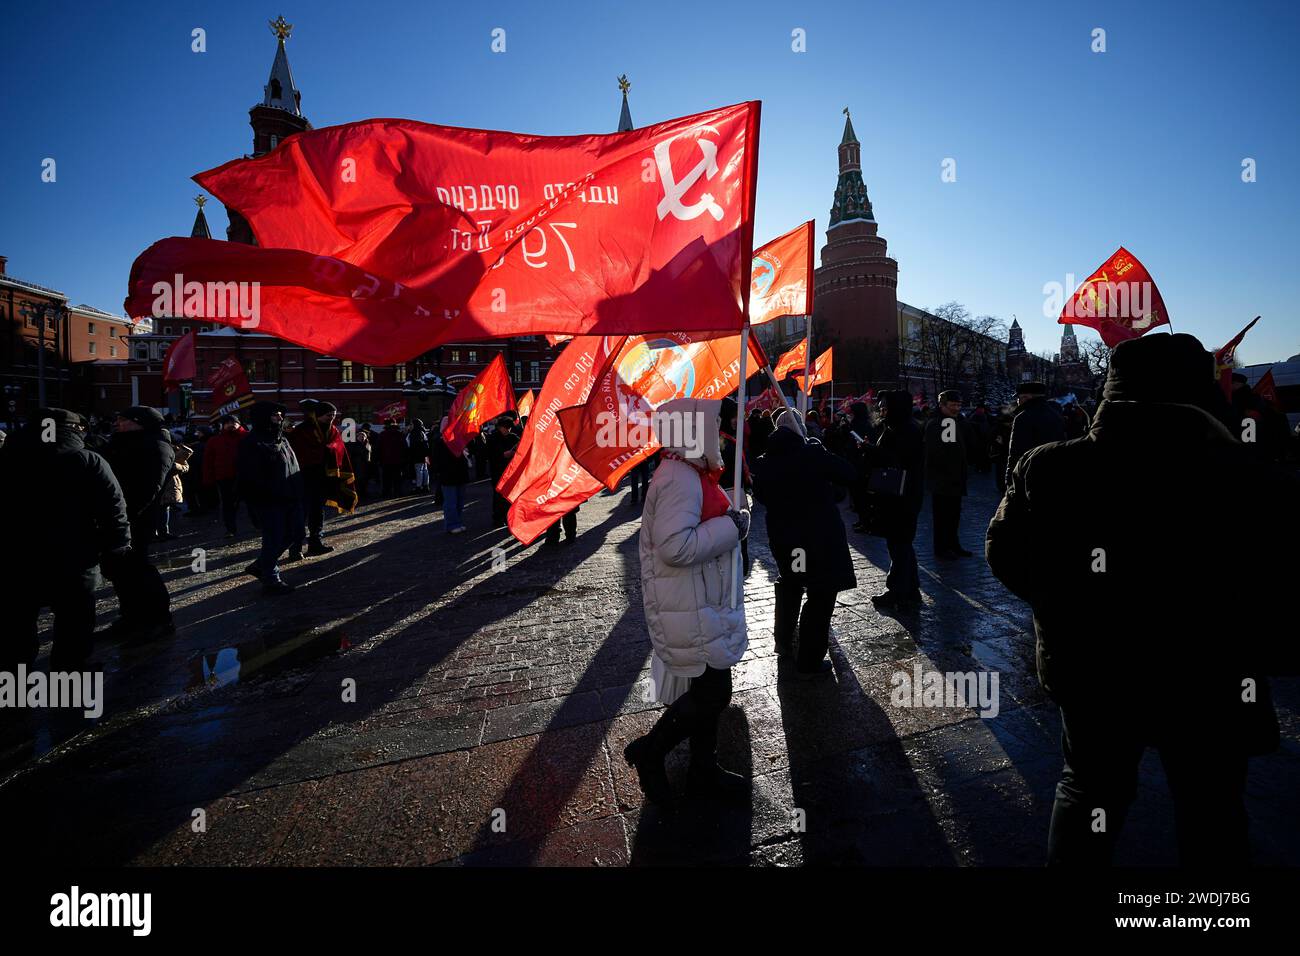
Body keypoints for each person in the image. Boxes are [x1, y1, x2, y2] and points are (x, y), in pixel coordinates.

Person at [987, 333, 1296, 866]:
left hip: (1092, 669)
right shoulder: (1253, 477)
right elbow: (1281, 590)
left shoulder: (1050, 466)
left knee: (1088, 793)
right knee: (1211, 805)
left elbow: (1006, 554)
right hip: (1213, 677)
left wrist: (1066, 609)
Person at [624, 397, 750, 808]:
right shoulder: (679, 476)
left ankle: (702, 768)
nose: (719, 432)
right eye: (713, 424)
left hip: (697, 599)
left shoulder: (686, 471)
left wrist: (733, 521)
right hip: (688, 602)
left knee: (711, 688)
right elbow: (676, 547)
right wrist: (732, 528)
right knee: (712, 692)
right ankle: (651, 752)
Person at [0, 409, 131, 669]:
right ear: (73, 429)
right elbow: (113, 507)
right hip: (74, 556)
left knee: (17, 623)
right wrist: (118, 544)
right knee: (74, 620)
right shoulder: (87, 460)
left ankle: (14, 687)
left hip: (15, 557)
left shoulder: (7, 458)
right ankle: (69, 675)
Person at [753, 406, 857, 677]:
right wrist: (819, 451)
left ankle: (783, 641)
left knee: (791, 583)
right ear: (800, 429)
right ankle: (809, 660)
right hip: (817, 540)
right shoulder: (811, 453)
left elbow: (763, 496)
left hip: (788, 541)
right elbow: (848, 473)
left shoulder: (764, 461)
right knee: (820, 595)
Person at [102, 405, 176, 642]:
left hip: (135, 519)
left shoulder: (156, 446)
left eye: (122, 419)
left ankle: (159, 620)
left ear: (138, 422)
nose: (117, 423)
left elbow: (147, 491)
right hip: (117, 518)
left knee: (138, 569)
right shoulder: (123, 442)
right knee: (121, 571)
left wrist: (125, 517)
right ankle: (131, 617)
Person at [861, 391, 925, 611]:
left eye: (885, 407)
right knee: (901, 543)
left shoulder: (906, 430)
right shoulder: (898, 427)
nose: (881, 410)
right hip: (899, 495)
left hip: (902, 496)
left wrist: (871, 451)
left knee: (899, 543)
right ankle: (911, 589)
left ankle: (898, 591)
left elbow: (897, 461)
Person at [237, 402, 305, 595]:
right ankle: (271, 578)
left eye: (280, 415)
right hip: (270, 499)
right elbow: (248, 475)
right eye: (275, 415)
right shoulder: (252, 442)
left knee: (296, 533)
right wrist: (260, 498)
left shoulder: (282, 438)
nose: (280, 418)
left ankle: (261, 565)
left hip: (292, 495)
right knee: (273, 538)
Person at [289, 400, 343, 555]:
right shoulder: (303, 430)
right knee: (301, 512)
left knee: (317, 511)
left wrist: (331, 451)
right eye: (328, 415)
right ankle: (296, 547)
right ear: (318, 415)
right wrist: (324, 451)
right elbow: (298, 452)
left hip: (323, 477)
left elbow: (339, 447)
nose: (331, 418)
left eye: (333, 415)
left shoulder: (332, 430)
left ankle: (315, 543)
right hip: (304, 476)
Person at [924, 389, 972, 559]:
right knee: (945, 515)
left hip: (948, 478)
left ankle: (951, 545)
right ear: (942, 405)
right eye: (953, 405)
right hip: (946, 478)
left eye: (959, 405)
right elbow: (948, 453)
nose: (957, 408)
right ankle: (943, 548)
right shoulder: (946, 423)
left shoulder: (947, 421)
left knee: (951, 515)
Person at [1004, 381, 1066, 487]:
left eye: (1019, 398)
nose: (1017, 401)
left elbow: (1017, 451)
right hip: (1055, 471)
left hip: (1031, 474)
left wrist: (1010, 480)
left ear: (1026, 397)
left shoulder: (1023, 417)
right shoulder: (1055, 414)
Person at [203, 415, 246, 537]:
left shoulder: (247, 437)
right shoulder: (215, 440)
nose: (231, 425)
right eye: (227, 423)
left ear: (239, 424)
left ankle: (259, 525)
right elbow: (208, 461)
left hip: (246, 476)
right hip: (225, 478)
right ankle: (230, 529)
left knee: (253, 503)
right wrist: (208, 479)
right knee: (228, 505)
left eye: (234, 422)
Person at [432, 415, 469, 534]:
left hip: (460, 475)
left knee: (460, 501)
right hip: (447, 476)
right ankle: (451, 525)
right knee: (450, 502)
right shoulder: (440, 442)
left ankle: (457, 522)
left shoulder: (460, 439)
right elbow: (436, 460)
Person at [485, 416, 519, 527]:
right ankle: (498, 519)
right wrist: (502, 454)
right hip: (497, 471)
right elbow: (488, 455)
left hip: (510, 471)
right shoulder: (492, 438)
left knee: (509, 496)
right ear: (499, 427)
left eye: (509, 427)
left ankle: (509, 517)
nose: (508, 430)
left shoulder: (513, 437)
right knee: (498, 496)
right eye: (505, 427)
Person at [156, 439, 193, 540]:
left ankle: (162, 532)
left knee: (163, 508)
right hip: (162, 483)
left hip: (168, 484)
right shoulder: (168, 450)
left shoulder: (172, 451)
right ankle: (159, 532)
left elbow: (185, 467)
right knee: (160, 509)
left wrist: (175, 466)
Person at [377, 418, 407, 497]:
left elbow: (378, 448)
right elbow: (405, 448)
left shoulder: (382, 434)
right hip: (398, 460)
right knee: (398, 477)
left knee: (386, 478)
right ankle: (398, 492)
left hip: (385, 460)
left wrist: (379, 459)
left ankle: (386, 492)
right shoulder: (400, 434)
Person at [408, 418, 432, 493]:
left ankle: (419, 486)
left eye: (411, 424)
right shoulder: (422, 432)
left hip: (417, 454)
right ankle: (426, 485)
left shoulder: (414, 433)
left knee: (419, 470)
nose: (410, 426)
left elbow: (413, 445)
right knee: (425, 470)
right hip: (424, 454)